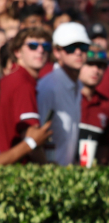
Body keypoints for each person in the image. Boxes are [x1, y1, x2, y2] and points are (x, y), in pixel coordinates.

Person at [37, 21, 89, 166]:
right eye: (71, 48)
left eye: (83, 47)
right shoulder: (48, 87)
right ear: (56, 52)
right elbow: (35, 139)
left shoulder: (78, 86)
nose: (78, 52)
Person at [0, 27, 54, 165]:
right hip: (10, 173)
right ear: (17, 52)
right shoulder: (22, 83)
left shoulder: (13, 79)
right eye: (33, 46)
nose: (40, 50)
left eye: (45, 46)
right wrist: (48, 170)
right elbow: (32, 141)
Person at [78, 43, 109, 167]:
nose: (95, 70)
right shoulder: (67, 97)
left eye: (100, 66)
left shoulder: (107, 105)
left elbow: (104, 148)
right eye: (89, 64)